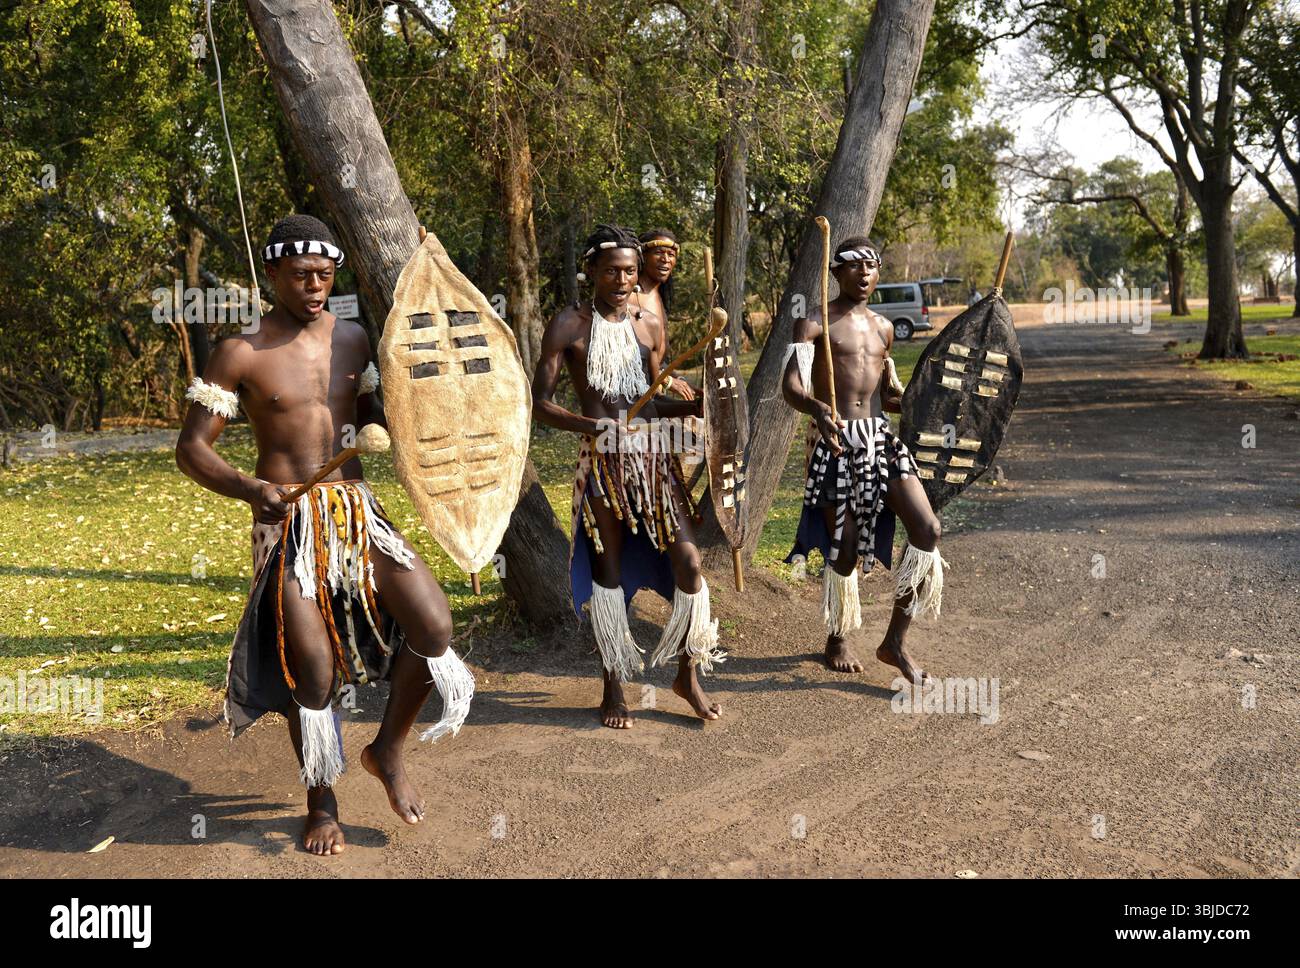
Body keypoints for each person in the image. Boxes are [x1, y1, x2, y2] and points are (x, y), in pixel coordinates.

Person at [175, 214, 474, 856]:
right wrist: (253, 490)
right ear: (273, 273)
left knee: (433, 625)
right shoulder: (241, 352)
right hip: (286, 523)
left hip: (356, 510)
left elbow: (372, 419)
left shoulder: (356, 339)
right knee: (311, 670)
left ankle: (386, 751)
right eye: (302, 274)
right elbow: (191, 450)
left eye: (325, 274)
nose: (316, 285)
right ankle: (322, 800)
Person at [532, 223, 726, 729]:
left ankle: (688, 673)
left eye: (631, 271)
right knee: (609, 576)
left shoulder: (649, 325)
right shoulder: (568, 325)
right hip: (603, 467)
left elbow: (650, 400)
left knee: (689, 562)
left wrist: (695, 407)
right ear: (591, 271)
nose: (623, 280)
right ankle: (612, 685)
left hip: (653, 463)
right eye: (612, 270)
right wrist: (591, 425)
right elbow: (541, 404)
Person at [782, 236, 947, 682]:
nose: (865, 274)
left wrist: (913, 403)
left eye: (872, 266)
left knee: (927, 529)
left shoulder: (883, 328)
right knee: (846, 547)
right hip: (835, 442)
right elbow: (792, 387)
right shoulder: (812, 323)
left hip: (878, 440)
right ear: (836, 273)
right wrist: (816, 407)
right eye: (855, 266)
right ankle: (837, 636)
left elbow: (884, 398)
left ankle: (894, 642)